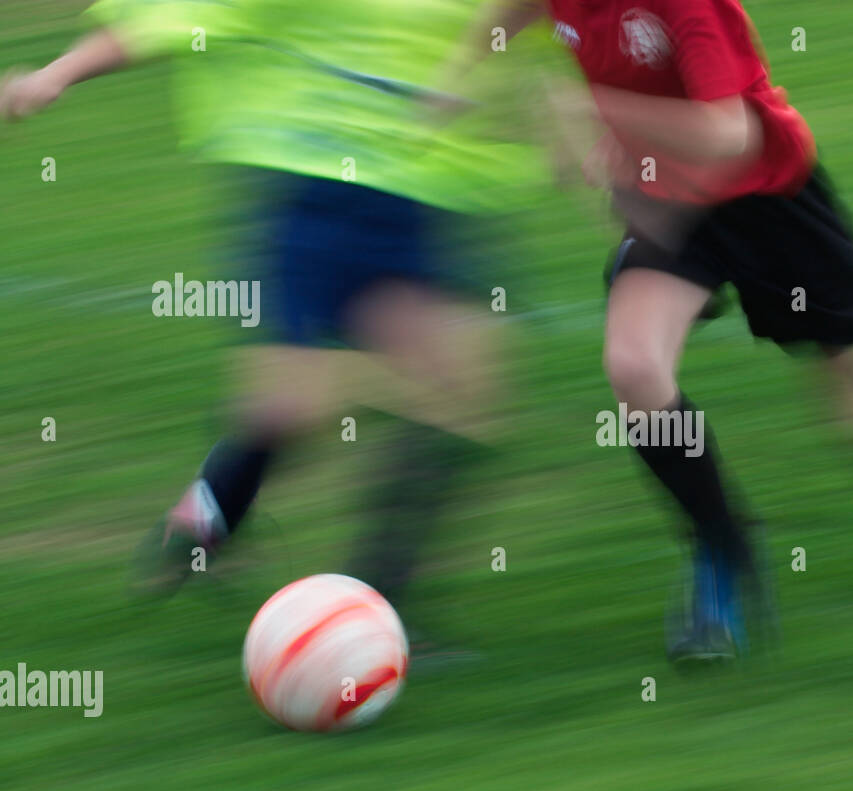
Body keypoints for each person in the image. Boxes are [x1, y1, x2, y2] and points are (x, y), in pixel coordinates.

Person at [469, 0, 853, 667]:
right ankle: (723, 551)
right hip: (674, 210)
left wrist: (596, 111)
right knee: (635, 368)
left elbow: (728, 135)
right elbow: (513, 13)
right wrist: (459, 76)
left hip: (769, 203)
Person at [0, 0, 545, 661]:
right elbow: (183, 13)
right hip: (311, 192)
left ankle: (379, 612)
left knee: (460, 405)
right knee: (291, 407)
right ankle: (209, 519)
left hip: (423, 198)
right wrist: (57, 73)